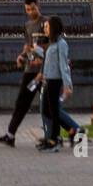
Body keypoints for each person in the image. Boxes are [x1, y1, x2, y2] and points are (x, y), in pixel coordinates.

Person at [0, 0, 45, 146]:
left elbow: (50, 46)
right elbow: (28, 46)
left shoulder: (46, 23)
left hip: (44, 71)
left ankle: (68, 131)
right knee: (22, 103)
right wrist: (22, 56)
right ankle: (10, 135)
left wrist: (40, 59)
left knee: (50, 105)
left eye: (32, 8)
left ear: (38, 6)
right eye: (27, 9)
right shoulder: (28, 25)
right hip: (31, 72)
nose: (30, 12)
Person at [37, 16, 72, 153]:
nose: (44, 29)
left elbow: (64, 65)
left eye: (47, 26)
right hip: (48, 80)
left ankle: (55, 140)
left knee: (53, 111)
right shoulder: (52, 43)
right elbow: (48, 62)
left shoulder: (61, 44)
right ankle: (51, 138)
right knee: (47, 110)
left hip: (55, 81)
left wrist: (67, 85)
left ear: (53, 28)